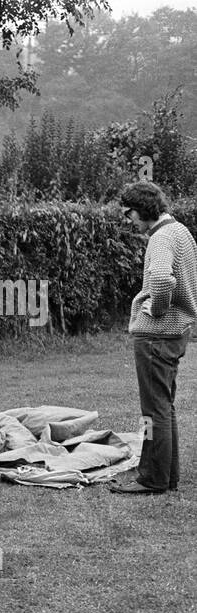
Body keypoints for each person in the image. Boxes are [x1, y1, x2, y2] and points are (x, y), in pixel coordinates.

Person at [109, 181, 196, 495]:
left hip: (156, 335)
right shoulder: (181, 232)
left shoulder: (160, 238)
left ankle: (150, 479)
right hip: (176, 333)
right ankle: (166, 477)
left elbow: (161, 279)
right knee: (165, 407)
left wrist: (155, 308)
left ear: (143, 209)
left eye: (129, 212)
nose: (128, 219)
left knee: (153, 411)